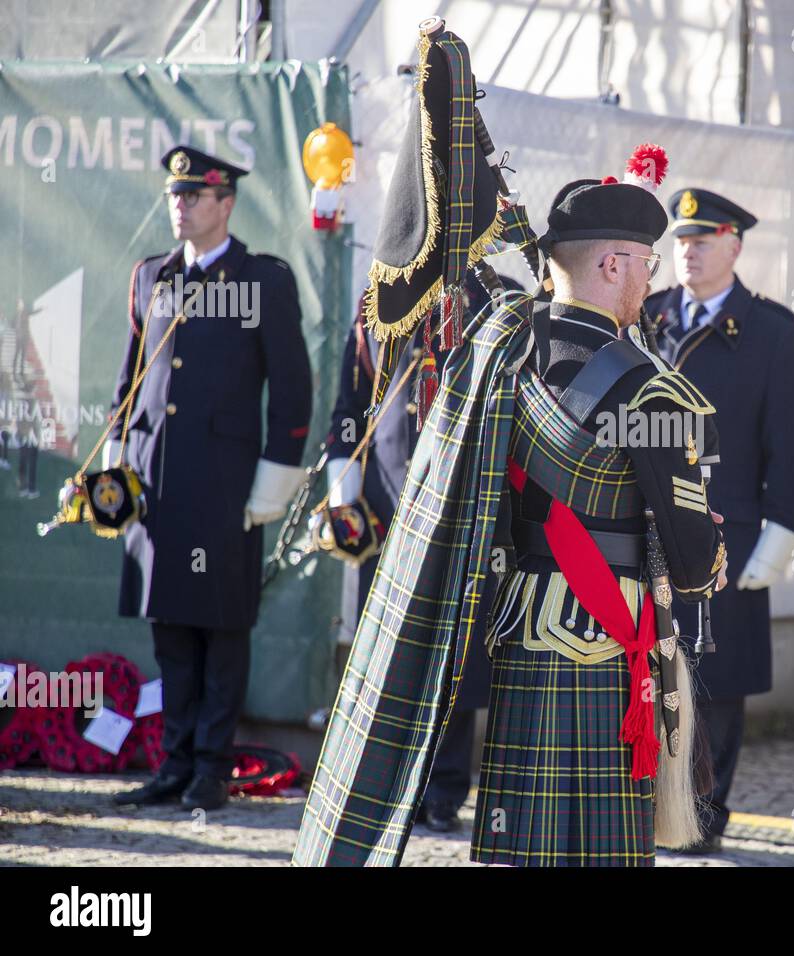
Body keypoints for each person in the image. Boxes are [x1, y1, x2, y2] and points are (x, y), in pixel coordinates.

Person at [294, 147, 728, 867]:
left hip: (519, 634)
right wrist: (695, 544)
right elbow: (692, 567)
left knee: (519, 842)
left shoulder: (500, 355)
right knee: (599, 850)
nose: (651, 283)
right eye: (646, 264)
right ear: (612, 265)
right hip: (604, 643)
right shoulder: (651, 391)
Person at [108, 146, 313, 813]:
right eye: (175, 195)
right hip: (157, 484)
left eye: (195, 196)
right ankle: (172, 765)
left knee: (220, 631)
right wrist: (115, 457)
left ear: (226, 204)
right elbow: (131, 378)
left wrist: (273, 481)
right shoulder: (151, 278)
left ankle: (210, 771)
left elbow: (292, 390)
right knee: (169, 628)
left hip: (225, 487)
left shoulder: (261, 282)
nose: (181, 206)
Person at [644, 188, 794, 853]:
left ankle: (704, 815)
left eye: (702, 240)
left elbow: (789, 448)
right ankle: (653, 808)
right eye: (681, 241)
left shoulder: (770, 329)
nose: (688, 251)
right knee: (653, 672)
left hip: (729, 533)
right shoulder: (650, 316)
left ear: (735, 246)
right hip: (651, 529)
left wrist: (780, 532)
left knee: (716, 680)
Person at [322, 275, 518, 832]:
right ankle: (385, 785)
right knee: (387, 653)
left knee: (455, 653)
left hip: (466, 501)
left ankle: (444, 789)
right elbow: (351, 403)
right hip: (388, 505)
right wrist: (345, 486)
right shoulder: (376, 298)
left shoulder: (498, 297)